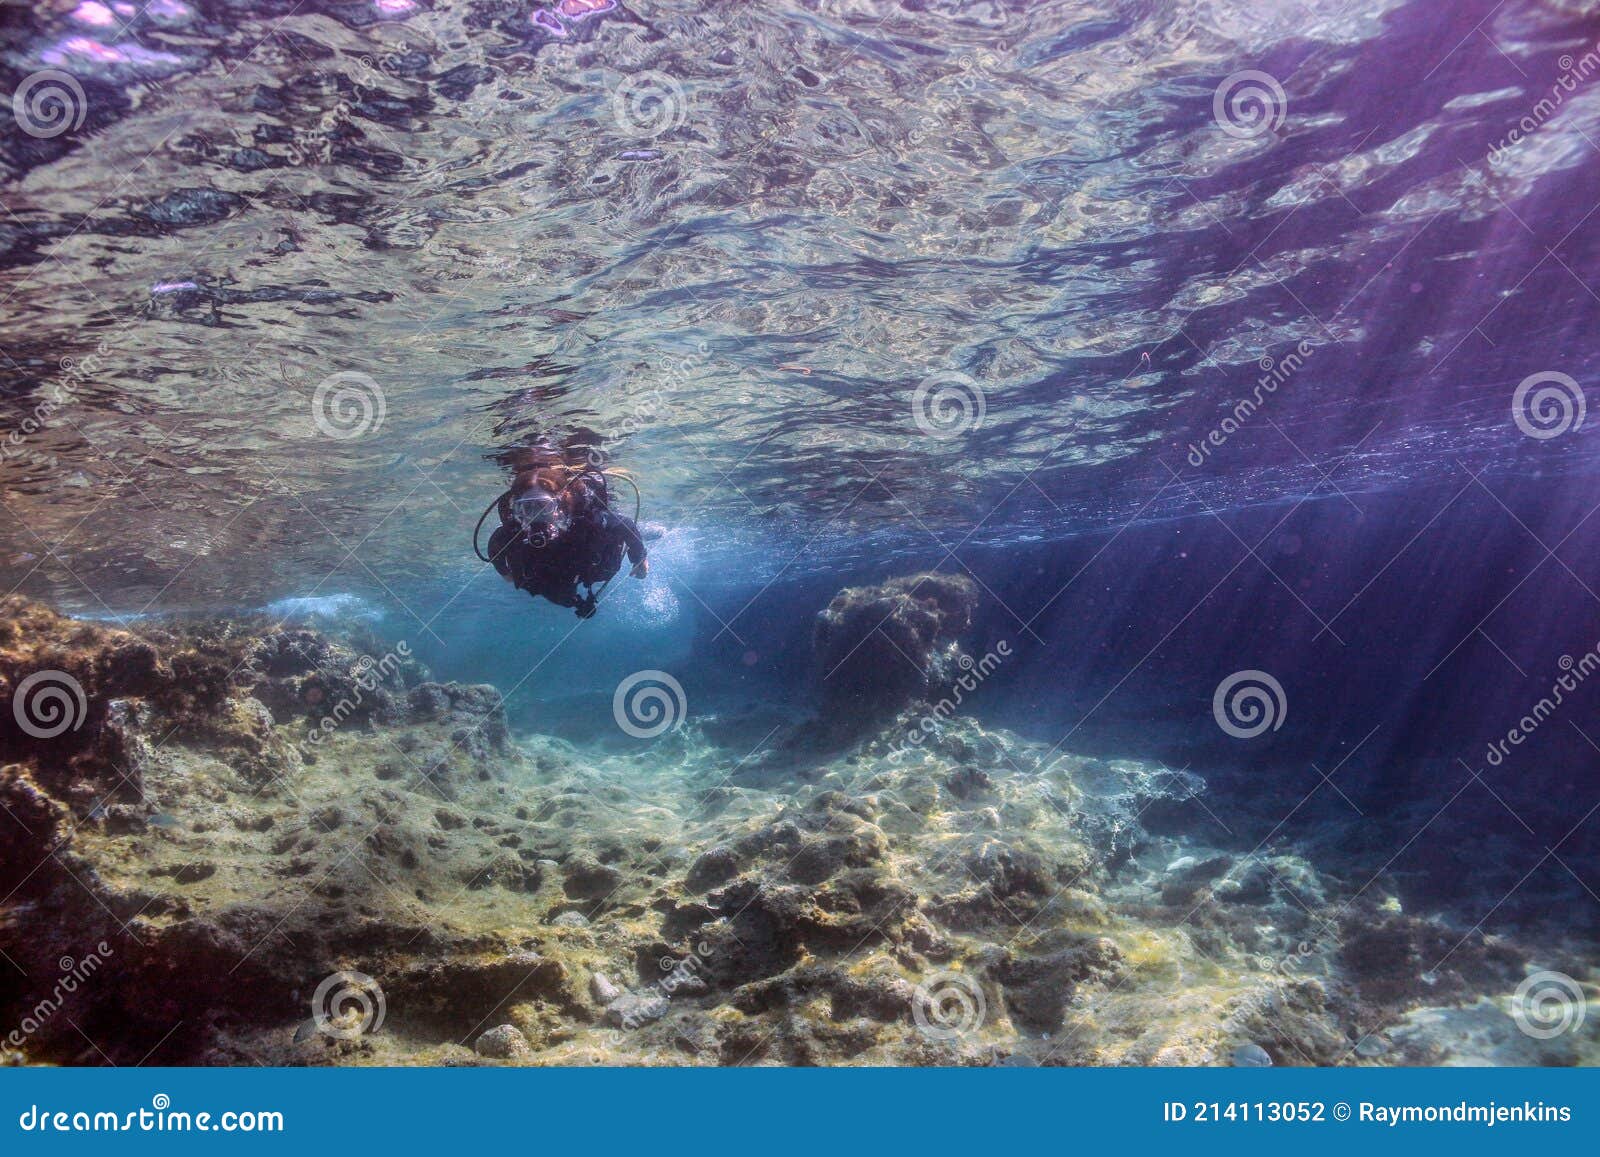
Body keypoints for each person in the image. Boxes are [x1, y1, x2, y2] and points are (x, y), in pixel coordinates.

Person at [486, 463, 649, 617]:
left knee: (605, 569)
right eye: (528, 507)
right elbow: (495, 548)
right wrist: (505, 572)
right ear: (518, 509)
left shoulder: (588, 520)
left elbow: (625, 524)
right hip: (558, 570)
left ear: (559, 505)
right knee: (555, 593)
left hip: (589, 561)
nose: (536, 515)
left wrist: (639, 558)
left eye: (544, 506)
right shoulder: (511, 531)